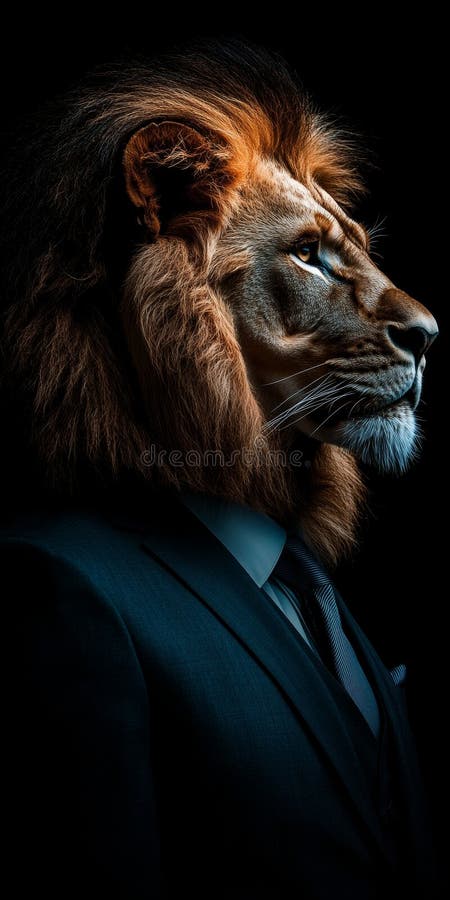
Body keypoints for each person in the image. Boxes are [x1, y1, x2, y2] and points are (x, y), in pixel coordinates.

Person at [1, 43, 439, 898]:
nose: (413, 317)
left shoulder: (304, 587)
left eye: (356, 254)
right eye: (311, 256)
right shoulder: (64, 588)